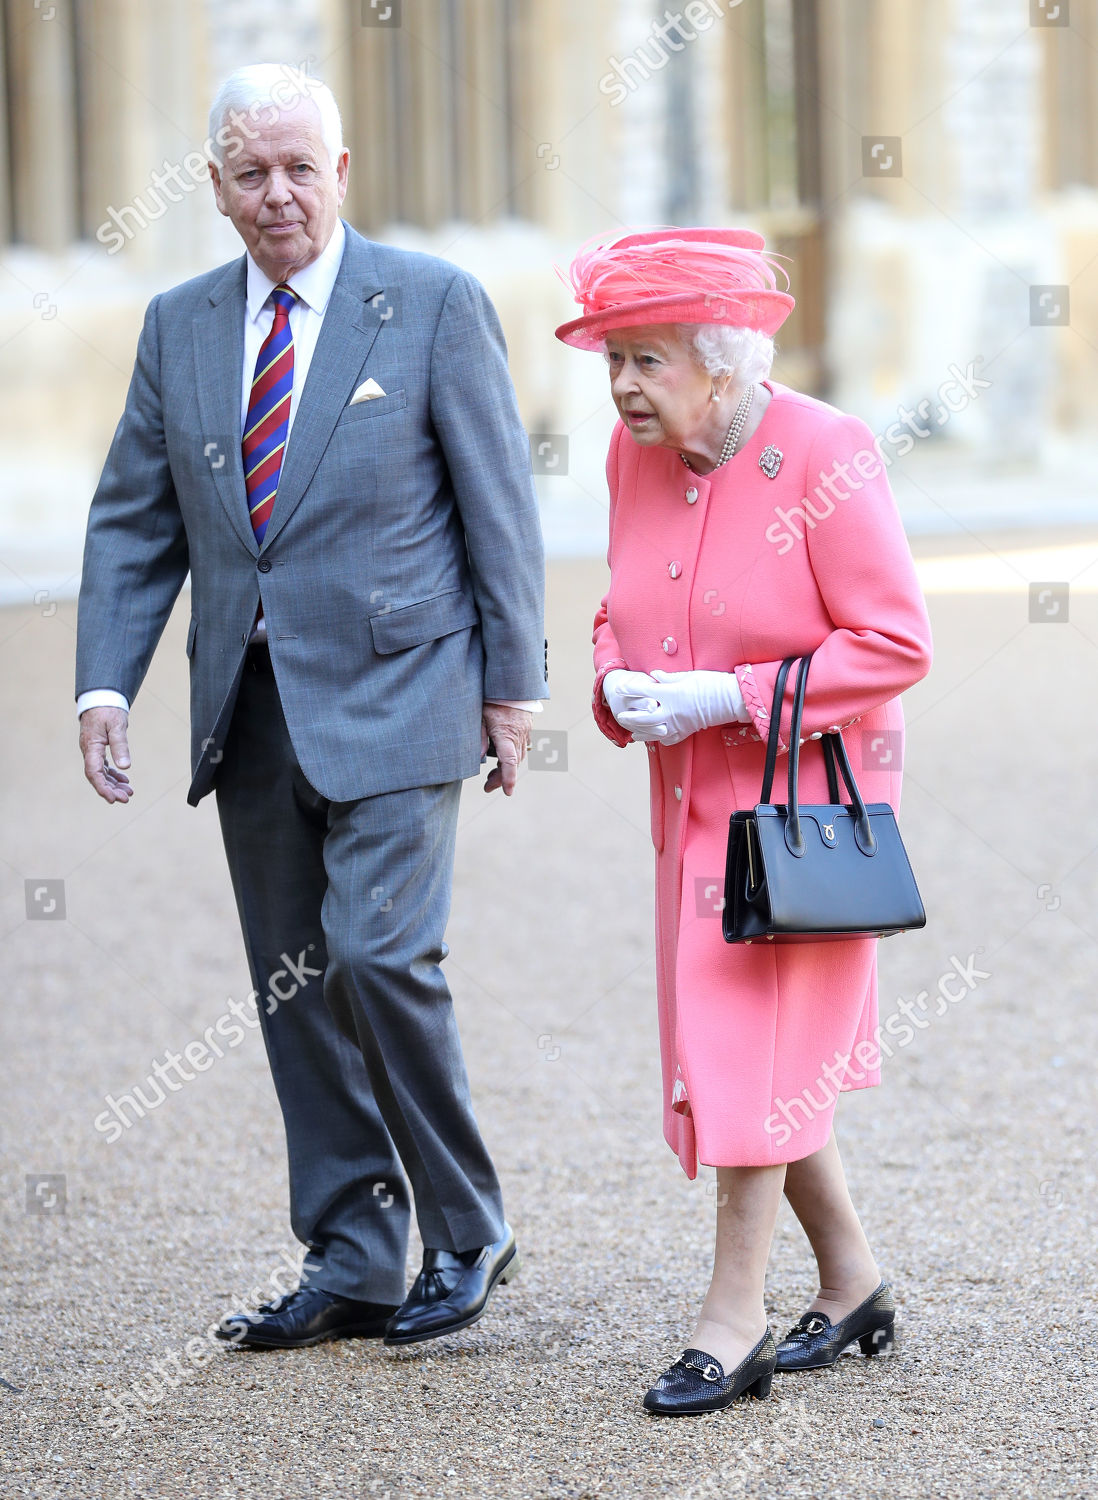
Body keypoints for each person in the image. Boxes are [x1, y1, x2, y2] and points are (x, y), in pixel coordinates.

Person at [76, 64, 547, 1350]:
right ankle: (351, 1253)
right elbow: (135, 517)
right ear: (214, 185)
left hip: (407, 688)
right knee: (293, 983)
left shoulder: (437, 305)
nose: (276, 192)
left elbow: (500, 507)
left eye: (299, 167)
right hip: (252, 703)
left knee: (378, 955)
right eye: (248, 170)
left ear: (341, 173)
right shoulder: (177, 326)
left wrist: (516, 687)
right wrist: (105, 678)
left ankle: (469, 1228)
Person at [555, 226, 932, 1415]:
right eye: (615, 358)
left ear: (723, 362)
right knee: (749, 1057)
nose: (623, 385)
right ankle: (854, 1279)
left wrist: (737, 692)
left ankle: (735, 1320)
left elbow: (896, 642)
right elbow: (619, 608)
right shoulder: (635, 456)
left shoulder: (826, 451)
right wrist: (615, 684)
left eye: (648, 360)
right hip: (689, 811)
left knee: (742, 1052)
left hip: (799, 822)